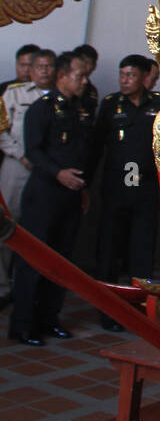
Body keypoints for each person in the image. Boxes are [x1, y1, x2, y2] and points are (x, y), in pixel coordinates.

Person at [8, 51, 92, 346]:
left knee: (61, 261)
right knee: (34, 261)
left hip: (70, 196)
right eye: (80, 76)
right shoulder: (42, 109)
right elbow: (34, 151)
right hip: (44, 195)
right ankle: (23, 325)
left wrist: (82, 190)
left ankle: (49, 318)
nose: (85, 81)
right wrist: (58, 174)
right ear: (62, 77)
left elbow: (83, 154)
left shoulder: (80, 110)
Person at [87, 54, 160, 331]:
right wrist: (86, 184)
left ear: (144, 77)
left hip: (145, 187)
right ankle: (109, 310)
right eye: (122, 75)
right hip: (116, 186)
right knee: (109, 248)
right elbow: (96, 147)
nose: (125, 80)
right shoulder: (110, 105)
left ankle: (139, 308)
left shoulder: (158, 105)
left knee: (141, 250)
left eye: (131, 75)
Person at [0, 50, 57, 309]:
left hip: (48, 172)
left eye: (49, 66)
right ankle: (3, 286)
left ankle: (28, 285)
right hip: (16, 166)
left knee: (36, 229)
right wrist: (21, 156)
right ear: (30, 70)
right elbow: (2, 133)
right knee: (7, 224)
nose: (44, 71)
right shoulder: (13, 93)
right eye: (39, 67)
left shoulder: (61, 97)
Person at [74, 44, 99, 119]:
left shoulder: (92, 90)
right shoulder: (63, 83)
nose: (85, 66)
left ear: (94, 66)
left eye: (89, 63)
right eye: (83, 62)